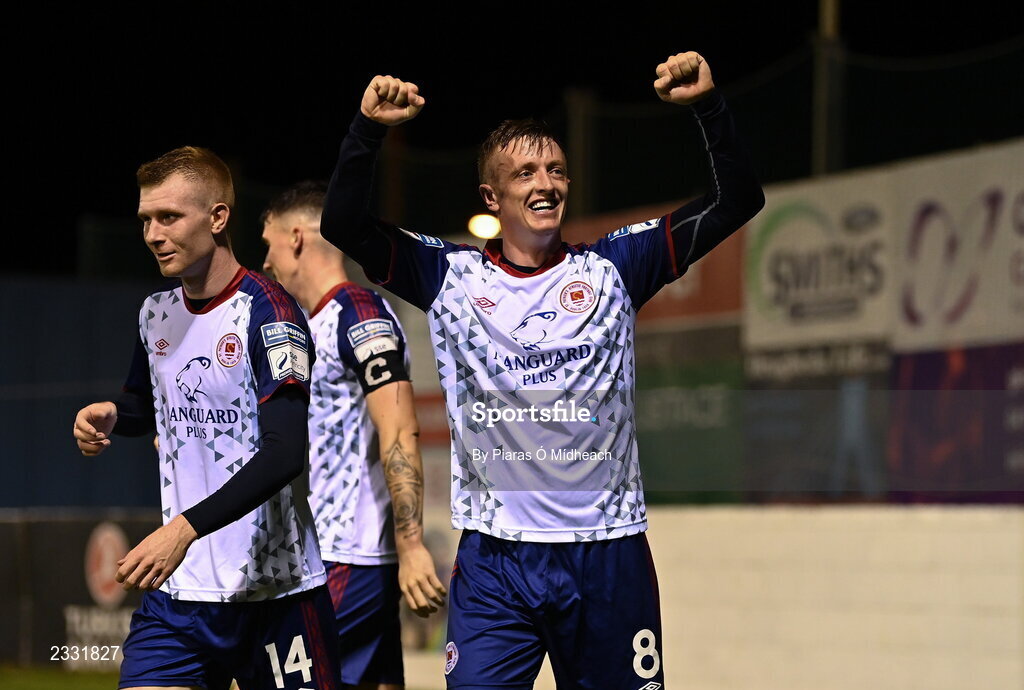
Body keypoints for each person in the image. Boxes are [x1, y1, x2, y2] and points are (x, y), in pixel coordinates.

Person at [321, 52, 765, 688]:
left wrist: (708, 107)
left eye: (556, 169)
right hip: (497, 562)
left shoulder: (616, 268)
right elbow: (344, 224)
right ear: (491, 196)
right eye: (525, 172)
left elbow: (739, 198)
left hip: (607, 554)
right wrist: (367, 132)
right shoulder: (450, 275)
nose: (546, 182)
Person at [72, 147, 341, 690]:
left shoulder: (269, 313)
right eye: (146, 219)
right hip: (180, 598)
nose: (152, 234)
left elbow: (286, 451)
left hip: (274, 594)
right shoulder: (156, 313)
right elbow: (144, 406)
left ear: (218, 218)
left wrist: (184, 529)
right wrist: (109, 415)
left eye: (169, 217)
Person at [261, 181, 446, 689]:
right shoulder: (313, 324)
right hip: (338, 554)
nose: (268, 263)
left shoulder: (360, 314)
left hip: (352, 556)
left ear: (296, 237)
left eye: (270, 244)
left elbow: (400, 430)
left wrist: (410, 546)